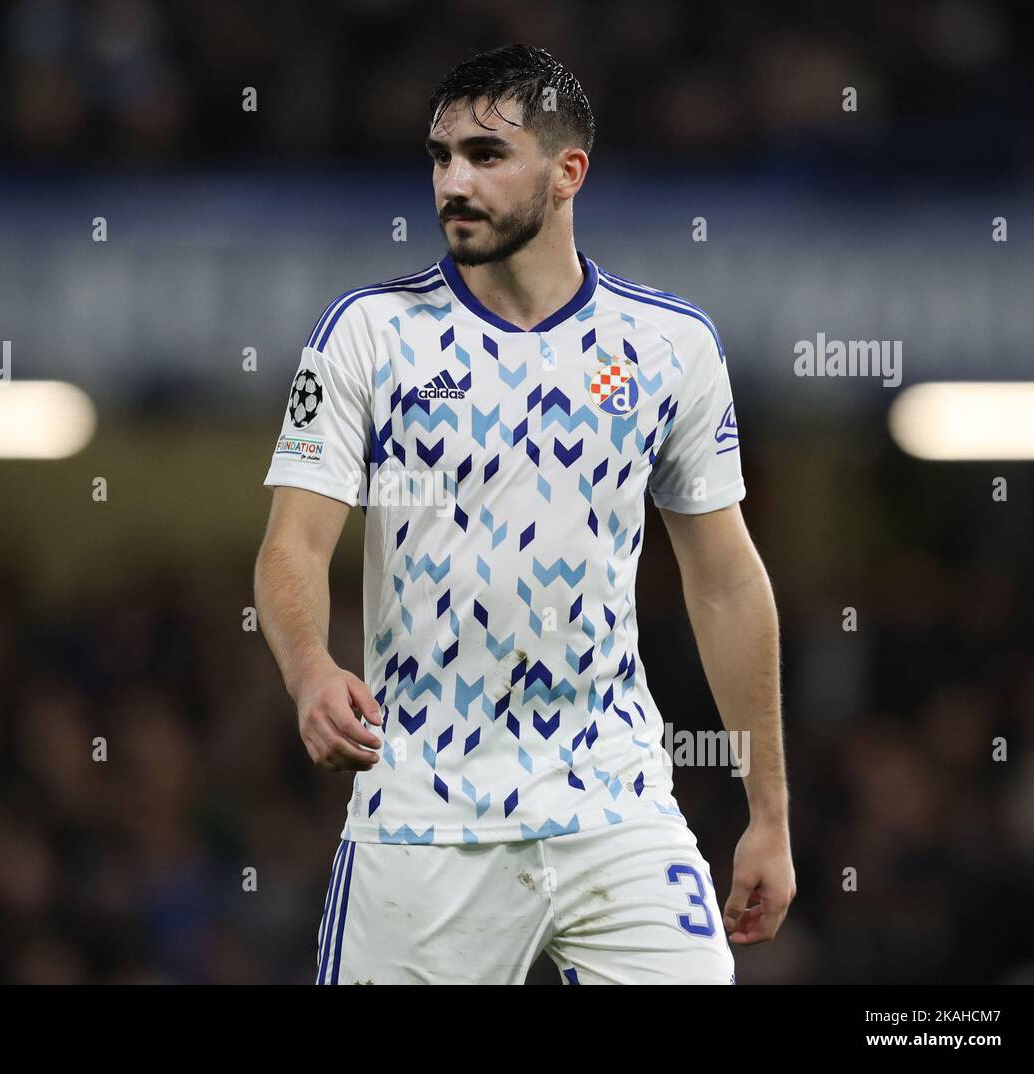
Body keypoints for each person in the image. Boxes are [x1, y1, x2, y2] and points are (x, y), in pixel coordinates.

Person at [254, 44, 794, 984]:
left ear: (567, 171)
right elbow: (292, 544)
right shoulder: (367, 335)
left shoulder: (669, 347)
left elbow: (725, 581)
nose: (453, 181)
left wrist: (771, 813)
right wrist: (308, 672)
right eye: (440, 156)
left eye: (486, 155)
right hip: (424, 819)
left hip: (619, 810)